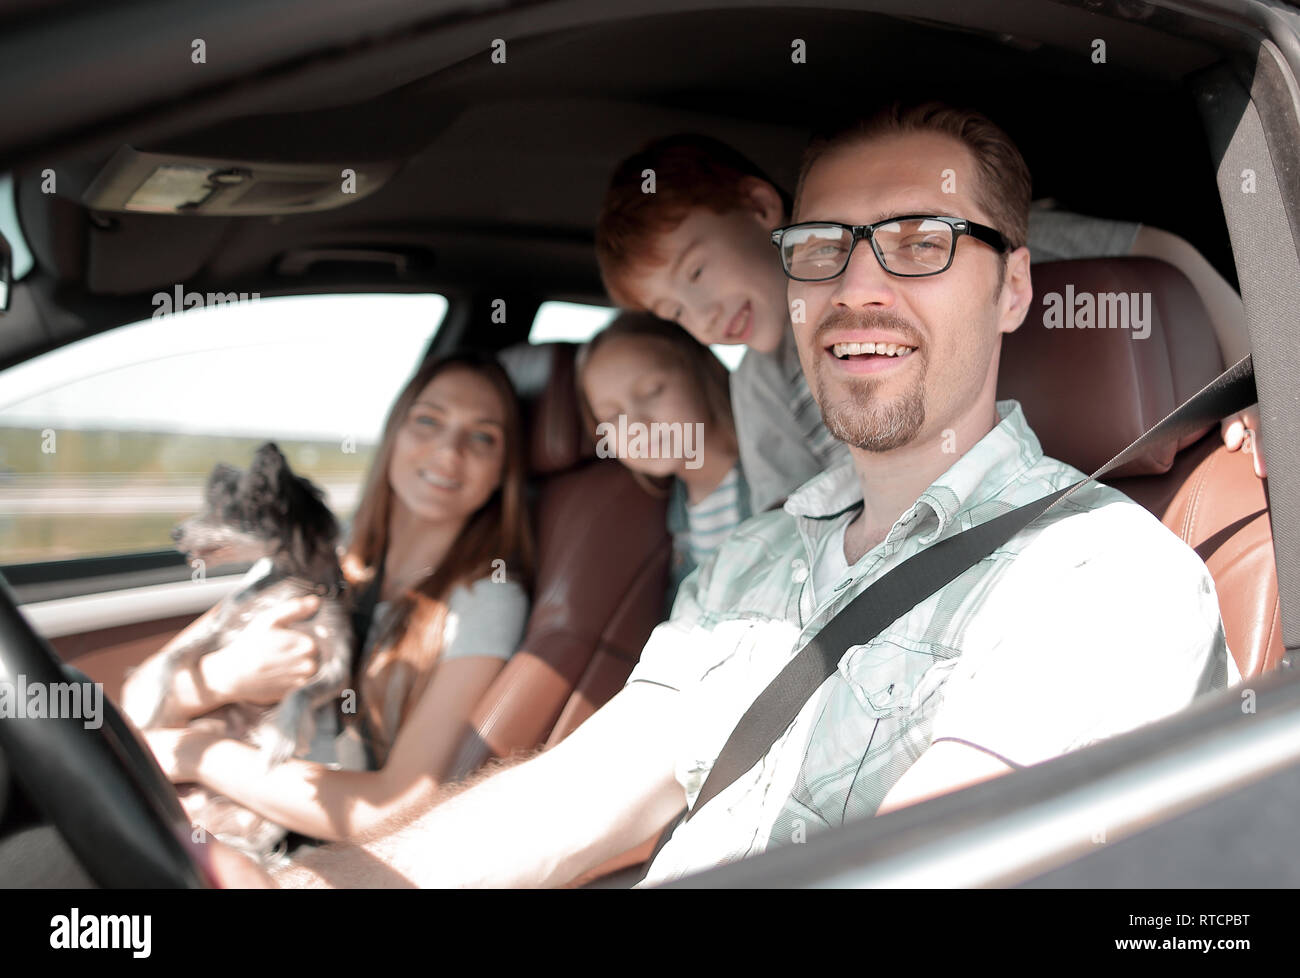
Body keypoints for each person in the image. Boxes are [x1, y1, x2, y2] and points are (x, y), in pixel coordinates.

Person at [249, 102, 1236, 889]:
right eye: (822, 251)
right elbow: (586, 791)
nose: (858, 288)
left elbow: (928, 863)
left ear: (1014, 288)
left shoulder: (1098, 574)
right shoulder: (747, 566)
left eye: (919, 242)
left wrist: (1260, 375)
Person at [595, 135, 1264, 514]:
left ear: (758, 206)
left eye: (697, 273)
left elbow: (1158, 248)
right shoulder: (762, 384)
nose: (702, 316)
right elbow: (783, 526)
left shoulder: (960, 247)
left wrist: (1256, 385)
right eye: (674, 313)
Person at [125, 351, 534, 845]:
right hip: (208, 818)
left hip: (310, 849)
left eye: (482, 437)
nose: (449, 454)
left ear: (503, 471)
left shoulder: (486, 598)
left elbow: (396, 806)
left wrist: (194, 753)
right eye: (429, 421)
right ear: (394, 434)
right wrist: (223, 678)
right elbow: (140, 693)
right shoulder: (321, 549)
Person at [576, 311, 750, 611]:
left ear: (701, 371)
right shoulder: (672, 517)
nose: (636, 425)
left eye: (652, 391)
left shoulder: (778, 467)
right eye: (612, 416)